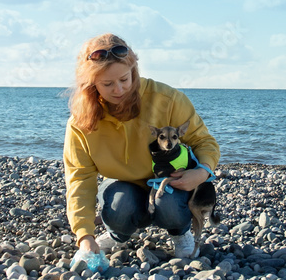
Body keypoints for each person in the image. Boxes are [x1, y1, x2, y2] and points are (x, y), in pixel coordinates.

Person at [63, 33, 220, 259]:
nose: (118, 89)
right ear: (91, 84)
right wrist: (84, 235)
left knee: (169, 205)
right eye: (107, 84)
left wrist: (201, 172)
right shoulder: (81, 121)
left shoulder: (167, 99)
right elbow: (79, 177)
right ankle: (118, 234)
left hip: (170, 184)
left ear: (134, 70)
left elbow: (203, 140)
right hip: (123, 185)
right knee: (118, 206)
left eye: (124, 79)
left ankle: (180, 232)